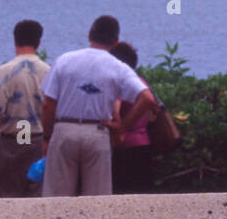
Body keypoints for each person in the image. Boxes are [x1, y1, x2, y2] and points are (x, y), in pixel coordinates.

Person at [40, 15, 157, 196]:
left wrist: (47, 137)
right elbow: (147, 99)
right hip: (97, 132)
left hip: (64, 130)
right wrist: (122, 127)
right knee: (97, 201)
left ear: (89, 35)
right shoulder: (119, 67)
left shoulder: (64, 60)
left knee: (57, 198)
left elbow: (48, 104)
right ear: (116, 41)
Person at [0, 20, 51, 198]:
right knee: (35, 194)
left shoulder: (4, 71)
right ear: (39, 43)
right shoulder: (48, 71)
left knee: (8, 196)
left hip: (13, 142)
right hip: (38, 141)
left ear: (15, 40)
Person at [108, 41, 154, 194]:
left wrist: (121, 127)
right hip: (144, 143)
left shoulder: (121, 83)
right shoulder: (142, 82)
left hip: (124, 147)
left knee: (122, 195)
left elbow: (116, 105)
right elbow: (155, 111)